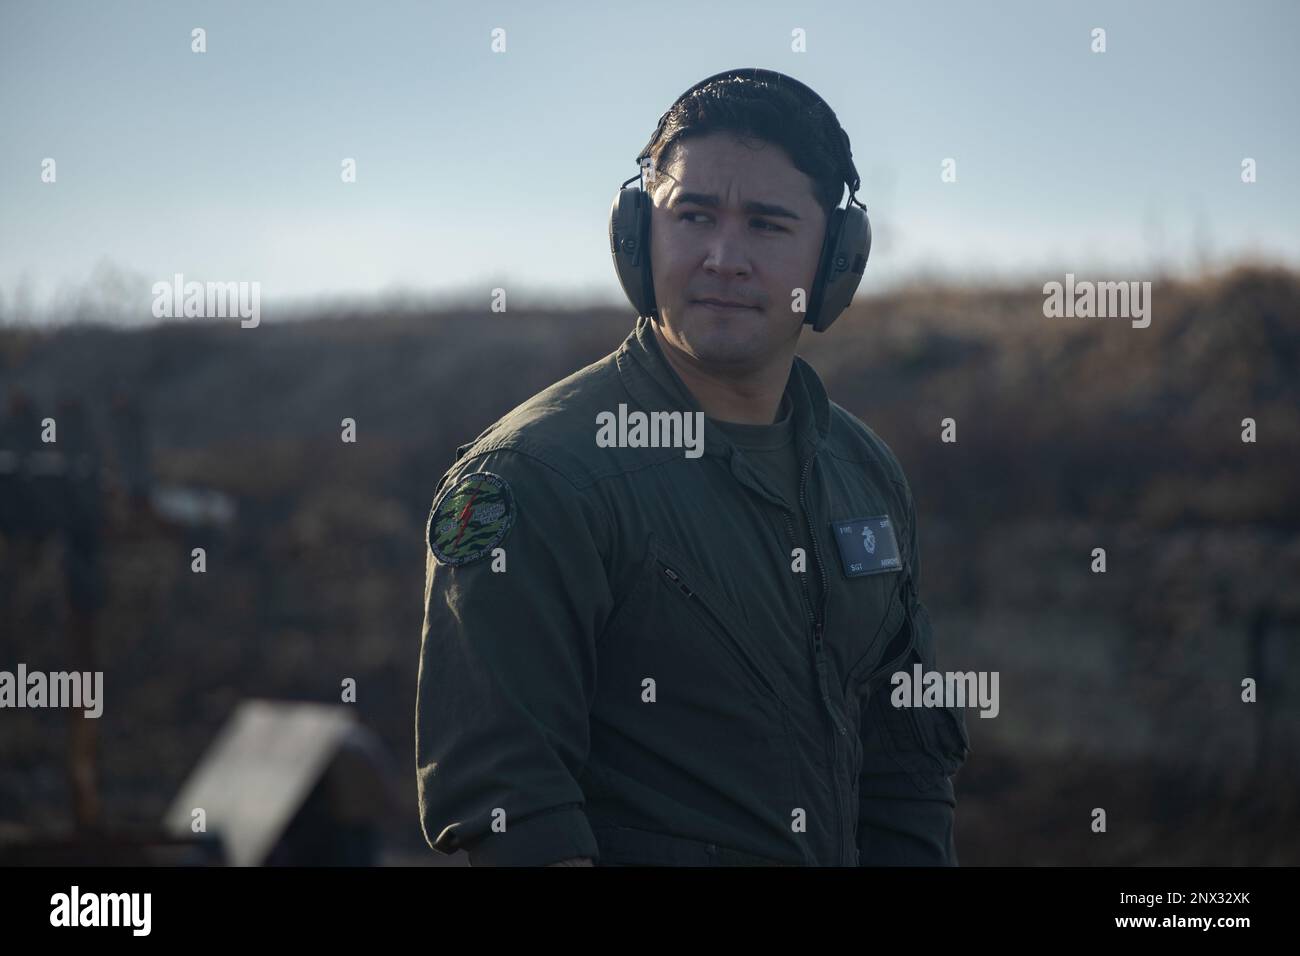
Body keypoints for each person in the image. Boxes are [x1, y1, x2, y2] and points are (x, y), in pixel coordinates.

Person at [416, 68, 969, 867]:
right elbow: (515, 813)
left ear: (836, 260)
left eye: (768, 226)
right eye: (695, 216)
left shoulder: (862, 470)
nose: (723, 258)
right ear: (638, 236)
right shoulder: (531, 480)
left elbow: (908, 761)